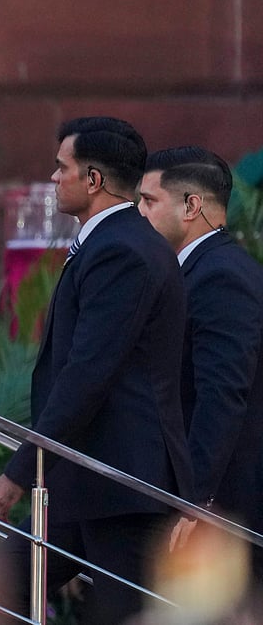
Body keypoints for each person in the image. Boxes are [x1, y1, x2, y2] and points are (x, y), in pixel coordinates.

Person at [0, 117, 193, 623]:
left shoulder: (122, 249)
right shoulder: (115, 243)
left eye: (62, 168)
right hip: (85, 480)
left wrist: (19, 472)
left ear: (93, 180)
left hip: (121, 483)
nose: (54, 178)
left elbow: (87, 374)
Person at [138, 148, 263, 581]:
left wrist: (192, 500)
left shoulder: (220, 274)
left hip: (225, 510)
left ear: (191, 206)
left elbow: (221, 394)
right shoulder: (194, 270)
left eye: (149, 201)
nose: (137, 213)